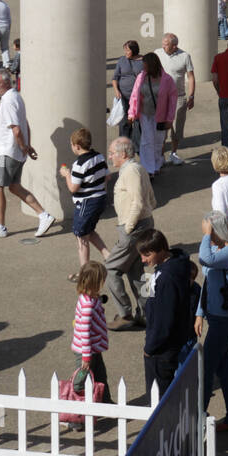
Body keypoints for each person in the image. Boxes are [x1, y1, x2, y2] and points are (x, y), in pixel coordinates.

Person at [0, 69, 55, 240]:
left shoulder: (8, 100)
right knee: (14, 187)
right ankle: (44, 216)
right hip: (13, 151)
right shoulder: (16, 97)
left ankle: (0, 227)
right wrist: (26, 146)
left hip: (6, 152)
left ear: (7, 82)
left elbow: (17, 128)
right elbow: (24, 123)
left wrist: (23, 147)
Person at [196, 211, 228, 433]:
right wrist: (200, 312)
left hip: (226, 320)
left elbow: (206, 260)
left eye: (208, 230)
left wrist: (206, 236)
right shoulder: (219, 250)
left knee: (206, 369)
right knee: (225, 368)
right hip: (218, 318)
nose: (205, 234)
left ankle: (198, 417)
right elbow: (207, 282)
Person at [104, 136, 157, 329]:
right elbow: (150, 197)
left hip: (134, 227)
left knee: (111, 268)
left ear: (123, 154)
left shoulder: (131, 171)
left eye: (112, 153)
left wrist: (128, 227)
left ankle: (124, 314)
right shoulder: (136, 168)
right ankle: (146, 313)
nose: (110, 157)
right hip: (140, 224)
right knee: (136, 271)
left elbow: (139, 201)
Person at [139, 230, 192, 401]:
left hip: (162, 349)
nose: (143, 260)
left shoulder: (167, 278)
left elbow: (164, 319)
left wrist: (150, 347)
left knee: (158, 397)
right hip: (171, 342)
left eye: (147, 255)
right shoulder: (176, 266)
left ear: (161, 250)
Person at [61, 126, 110, 274]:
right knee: (88, 230)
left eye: (71, 145)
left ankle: (85, 271)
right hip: (100, 199)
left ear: (77, 146)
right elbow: (107, 176)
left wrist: (67, 175)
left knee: (81, 236)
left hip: (86, 203)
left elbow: (73, 188)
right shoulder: (100, 157)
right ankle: (108, 255)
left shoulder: (79, 165)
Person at [128, 51, 177, 180]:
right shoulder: (141, 77)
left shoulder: (167, 80)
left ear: (152, 65)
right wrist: (132, 112)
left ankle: (157, 164)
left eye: (145, 66)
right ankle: (148, 169)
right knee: (146, 141)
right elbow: (134, 95)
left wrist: (170, 118)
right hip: (145, 114)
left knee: (157, 141)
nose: (143, 68)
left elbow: (172, 101)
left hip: (160, 116)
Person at [70, 261, 112, 410]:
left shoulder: (91, 298)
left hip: (94, 347)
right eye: (102, 280)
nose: (104, 283)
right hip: (86, 351)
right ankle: (75, 415)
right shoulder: (87, 304)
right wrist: (86, 357)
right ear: (94, 283)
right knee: (81, 381)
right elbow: (84, 333)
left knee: (100, 375)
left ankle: (105, 403)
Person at [155, 33, 195, 165]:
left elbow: (190, 77)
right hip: (161, 98)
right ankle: (160, 156)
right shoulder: (157, 53)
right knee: (161, 127)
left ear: (174, 46)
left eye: (166, 45)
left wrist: (191, 95)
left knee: (177, 127)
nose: (163, 46)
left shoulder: (185, 56)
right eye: (163, 43)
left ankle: (173, 153)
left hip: (178, 98)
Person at [112, 39, 143, 140]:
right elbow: (115, 78)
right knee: (124, 122)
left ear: (134, 50)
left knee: (139, 122)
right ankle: (124, 142)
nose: (125, 53)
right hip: (124, 96)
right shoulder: (122, 60)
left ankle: (138, 145)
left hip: (139, 98)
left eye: (127, 50)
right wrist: (116, 90)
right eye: (124, 50)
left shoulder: (144, 61)